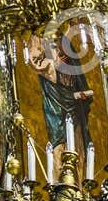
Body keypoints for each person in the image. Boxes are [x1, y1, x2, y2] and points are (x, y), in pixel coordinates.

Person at [27, 35, 94, 164]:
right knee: (60, 146)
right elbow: (34, 61)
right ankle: (59, 181)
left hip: (74, 101)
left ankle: (79, 182)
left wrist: (80, 92)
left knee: (78, 147)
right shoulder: (37, 37)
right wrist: (55, 63)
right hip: (55, 99)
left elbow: (75, 66)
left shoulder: (64, 38)